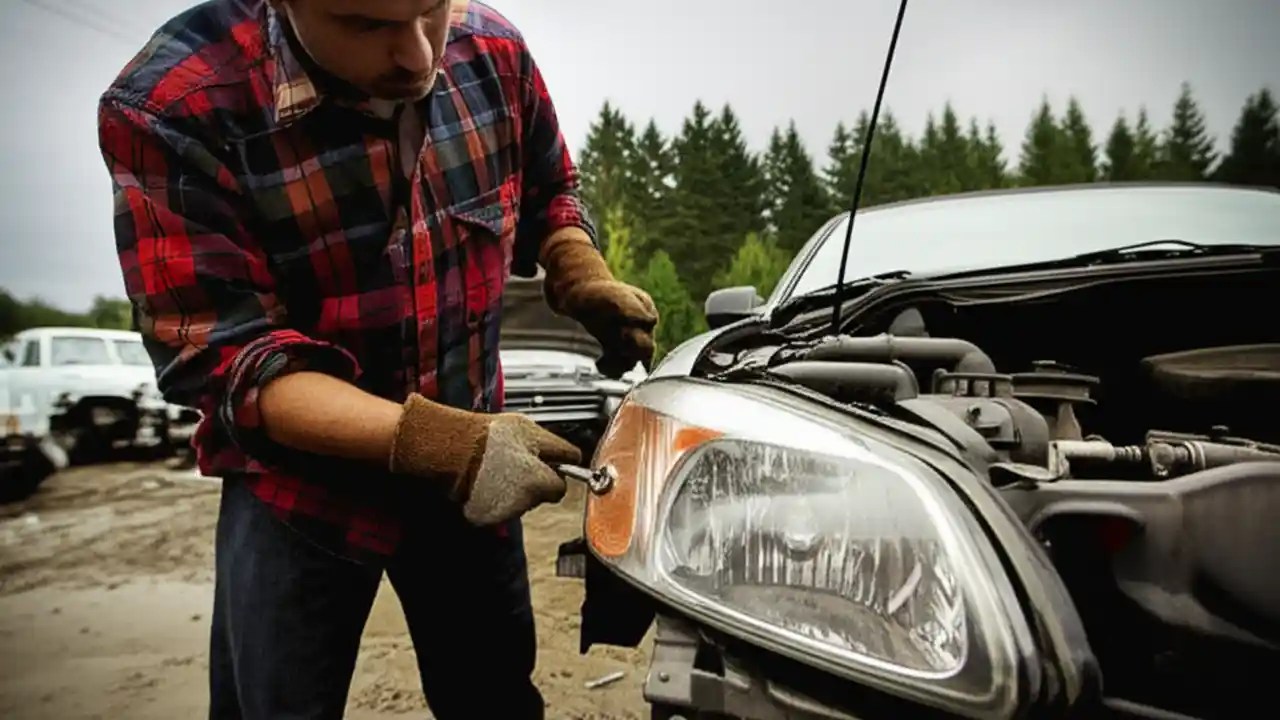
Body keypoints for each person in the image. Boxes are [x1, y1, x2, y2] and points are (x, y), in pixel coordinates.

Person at [96, 1, 658, 718]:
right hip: (300, 494)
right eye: (368, 26)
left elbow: (550, 191)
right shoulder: (173, 106)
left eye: (432, 9)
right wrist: (440, 442)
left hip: (472, 485)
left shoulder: (491, 50)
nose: (419, 57)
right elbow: (228, 359)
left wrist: (577, 266)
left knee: (492, 700)